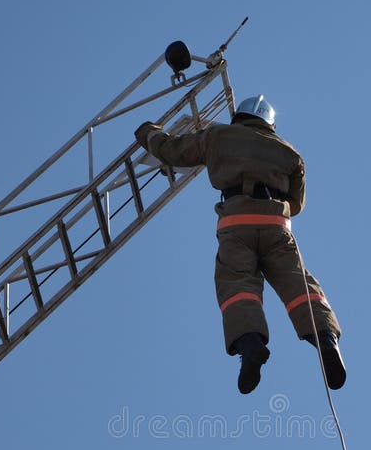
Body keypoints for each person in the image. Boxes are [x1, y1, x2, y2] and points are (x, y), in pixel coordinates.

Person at [135, 95, 346, 394]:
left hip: (236, 223)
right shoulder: (289, 153)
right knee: (299, 285)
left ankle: (250, 345)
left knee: (237, 285)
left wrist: (149, 133)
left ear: (239, 117)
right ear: (270, 124)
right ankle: (325, 339)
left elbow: (174, 152)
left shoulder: (219, 135)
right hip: (276, 226)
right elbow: (297, 204)